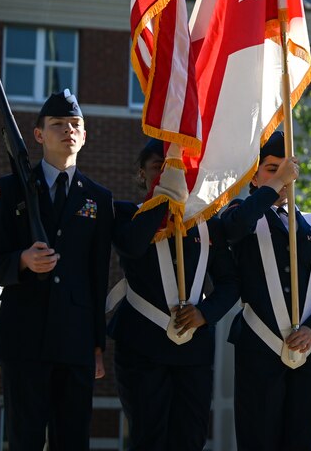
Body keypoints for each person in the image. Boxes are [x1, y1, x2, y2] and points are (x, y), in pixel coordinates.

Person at [0, 90, 116, 450]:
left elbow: (97, 275)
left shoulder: (98, 198)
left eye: (76, 124)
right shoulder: (11, 189)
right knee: (24, 439)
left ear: (85, 135)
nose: (68, 130)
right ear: (38, 135)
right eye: (57, 124)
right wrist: (23, 260)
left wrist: (97, 346)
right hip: (24, 339)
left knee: (72, 440)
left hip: (74, 342)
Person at [221, 130, 311, 451]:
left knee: (305, 442)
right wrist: (274, 186)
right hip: (259, 348)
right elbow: (233, 229)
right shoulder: (239, 213)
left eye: (286, 168)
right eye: (271, 169)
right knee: (259, 439)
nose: (281, 176)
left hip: (308, 351)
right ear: (254, 177)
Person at [109, 139, 240, 451]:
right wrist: (165, 196)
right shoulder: (127, 214)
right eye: (160, 168)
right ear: (142, 174)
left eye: (178, 170)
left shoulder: (207, 224)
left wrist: (206, 314)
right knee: (148, 438)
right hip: (141, 347)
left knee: (190, 438)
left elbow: (230, 282)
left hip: (192, 350)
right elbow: (132, 246)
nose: (171, 176)